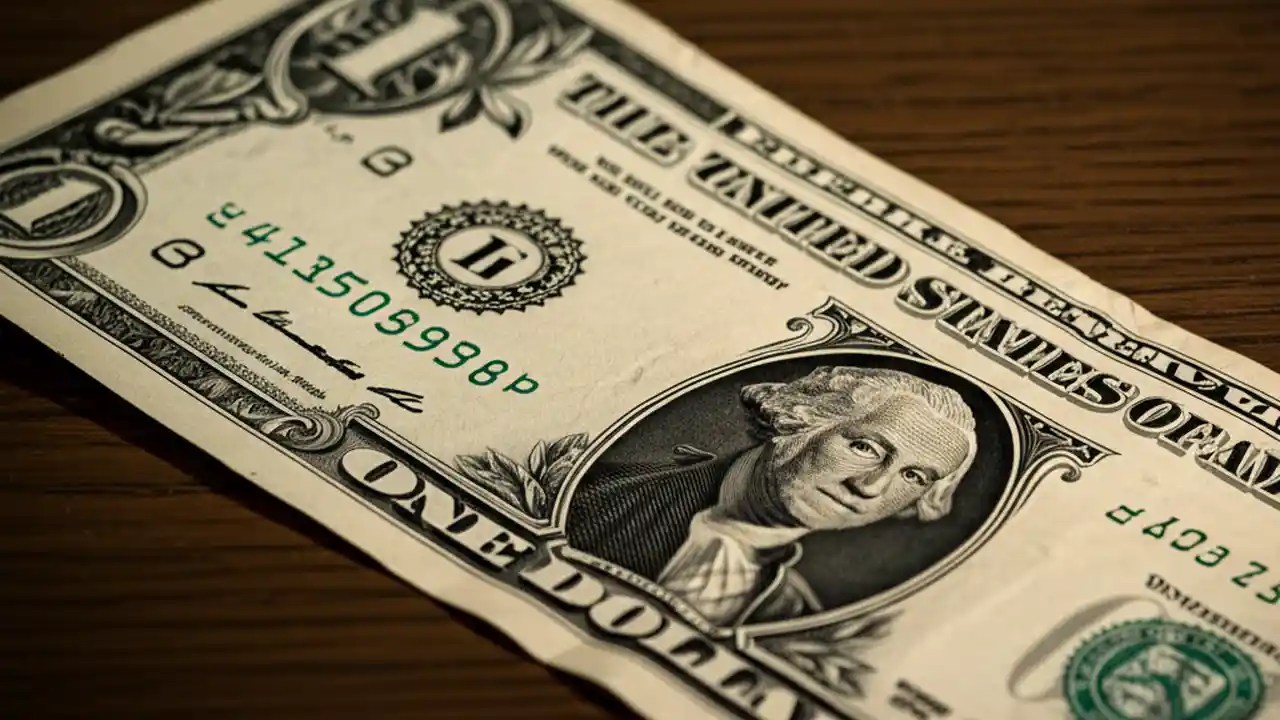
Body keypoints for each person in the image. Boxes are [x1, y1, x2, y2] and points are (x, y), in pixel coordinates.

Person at [566, 366, 978, 626]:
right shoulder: (587, 497)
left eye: (913, 475)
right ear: (799, 424)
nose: (870, 487)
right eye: (865, 448)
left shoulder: (793, 615)